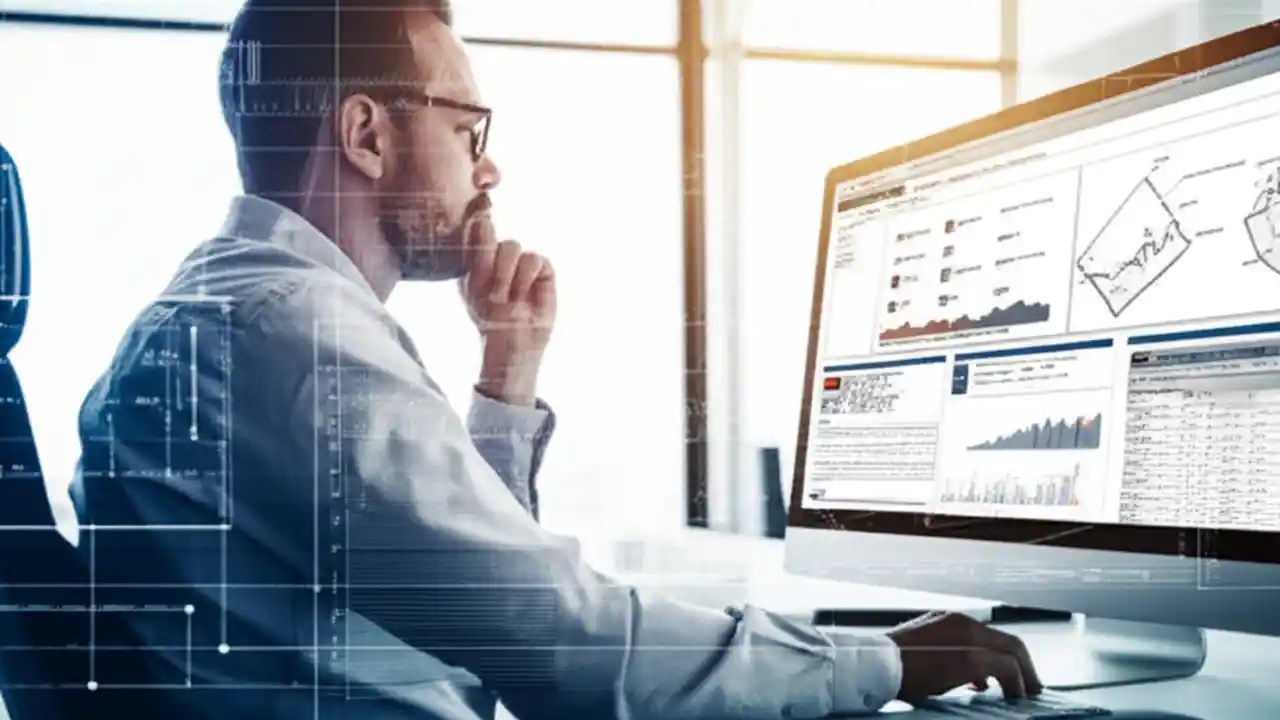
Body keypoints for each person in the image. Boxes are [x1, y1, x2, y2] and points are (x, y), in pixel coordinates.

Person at [70, 1, 1043, 717]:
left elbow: (464, 597)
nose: (487, 167)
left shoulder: (251, 313)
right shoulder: (285, 337)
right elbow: (566, 651)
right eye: (466, 129)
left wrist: (507, 374)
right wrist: (883, 662)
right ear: (366, 133)